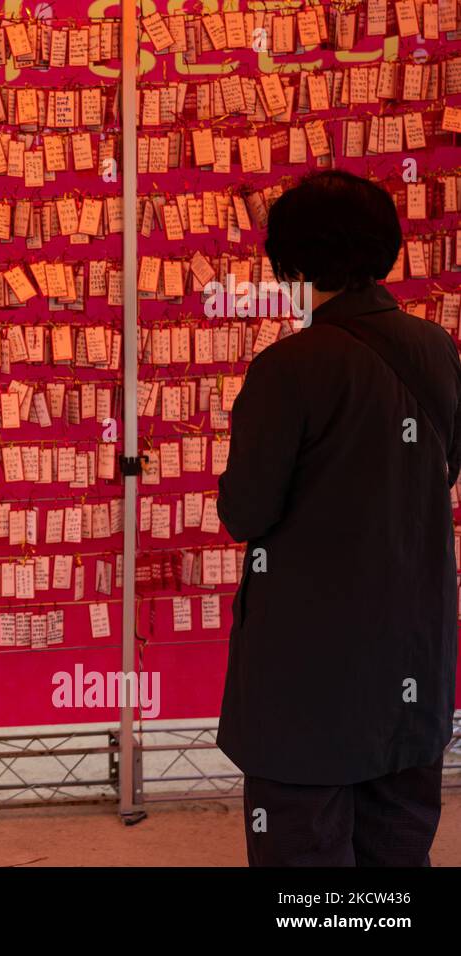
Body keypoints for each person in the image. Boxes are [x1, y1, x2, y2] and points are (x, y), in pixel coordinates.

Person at [218, 170, 461, 866]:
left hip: (308, 677)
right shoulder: (438, 351)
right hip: (412, 661)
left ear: (290, 260)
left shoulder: (288, 368)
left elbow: (247, 511)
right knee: (396, 851)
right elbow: (442, 470)